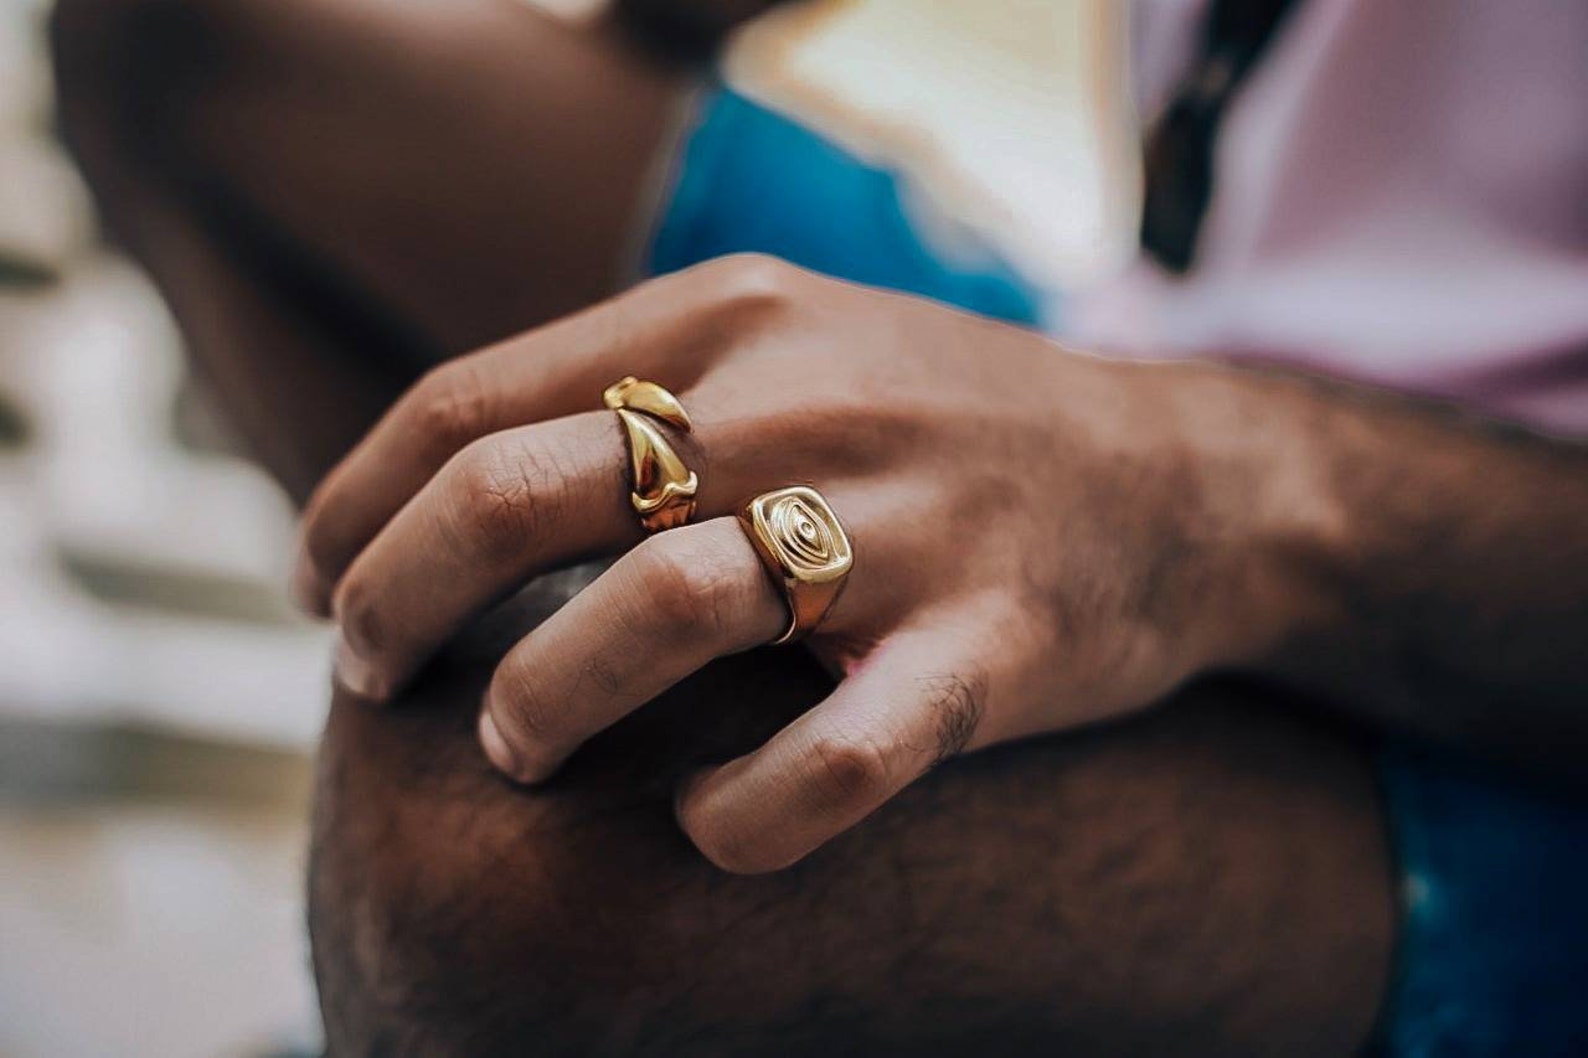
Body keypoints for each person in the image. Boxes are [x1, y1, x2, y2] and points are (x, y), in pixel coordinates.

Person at [50, 0, 1586, 1054]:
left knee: (523, 843)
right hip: (1151, 368)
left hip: (1486, 621)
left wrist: (1198, 485)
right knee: (195, 39)